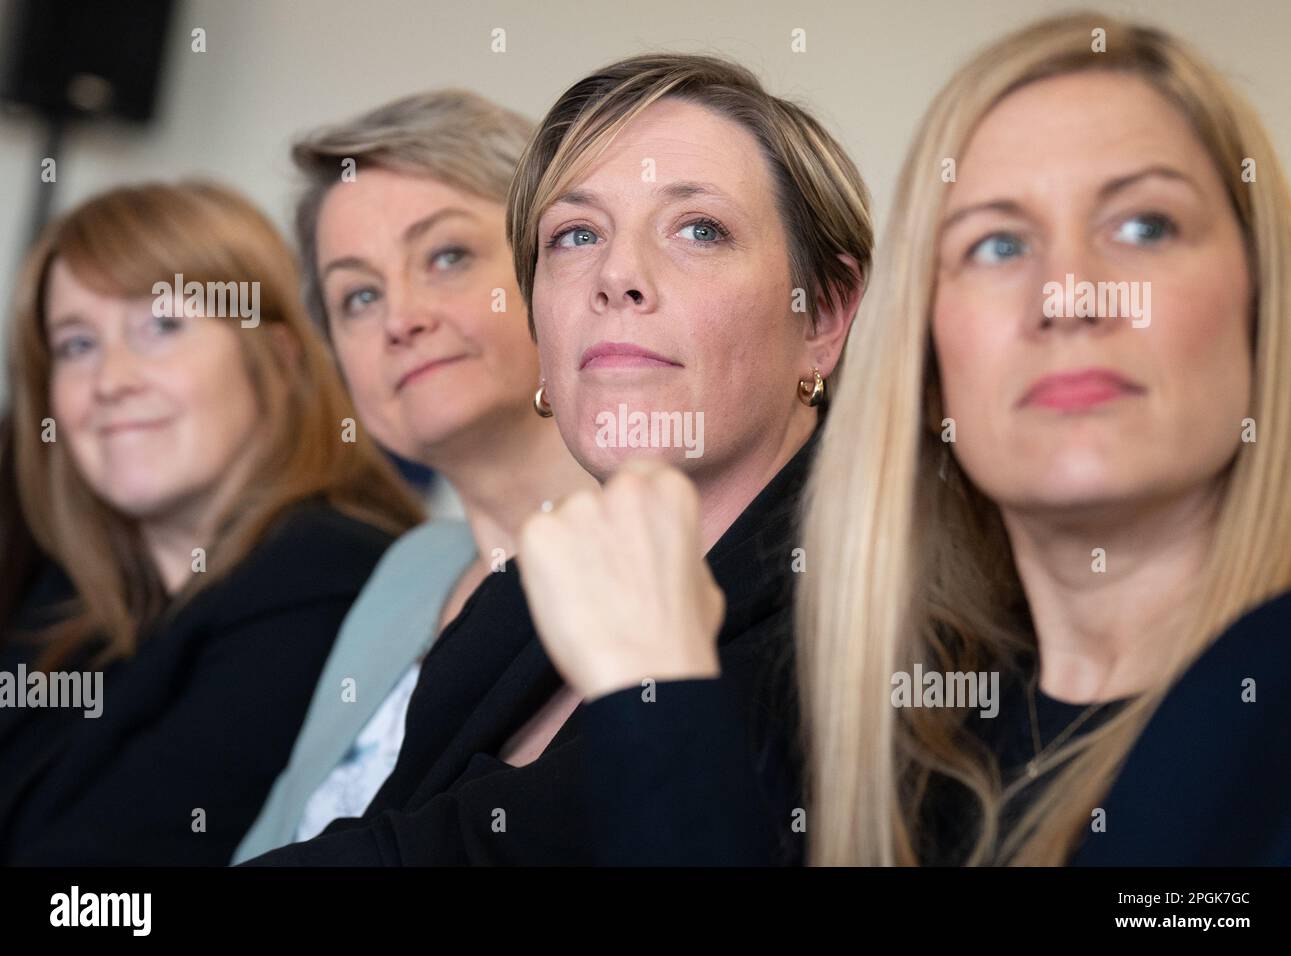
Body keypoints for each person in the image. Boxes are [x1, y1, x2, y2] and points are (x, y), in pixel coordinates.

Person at [526, 13, 1291, 866]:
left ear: (1264, 302)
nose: (1068, 295)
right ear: (929, 362)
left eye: (1144, 226)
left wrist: (658, 700)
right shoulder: (908, 747)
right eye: (998, 245)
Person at [243, 51, 871, 865]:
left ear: (822, 314)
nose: (617, 274)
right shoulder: (514, 599)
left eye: (699, 228)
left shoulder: (862, 619)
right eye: (576, 235)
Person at [0, 181, 423, 865]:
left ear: (278, 357)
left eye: (162, 327)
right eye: (76, 345)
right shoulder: (69, 591)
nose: (110, 380)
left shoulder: (325, 580)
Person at [233, 90, 596, 861]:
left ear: (558, 262)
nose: (400, 319)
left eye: (446, 257)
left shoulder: (674, 558)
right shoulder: (411, 567)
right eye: (359, 296)